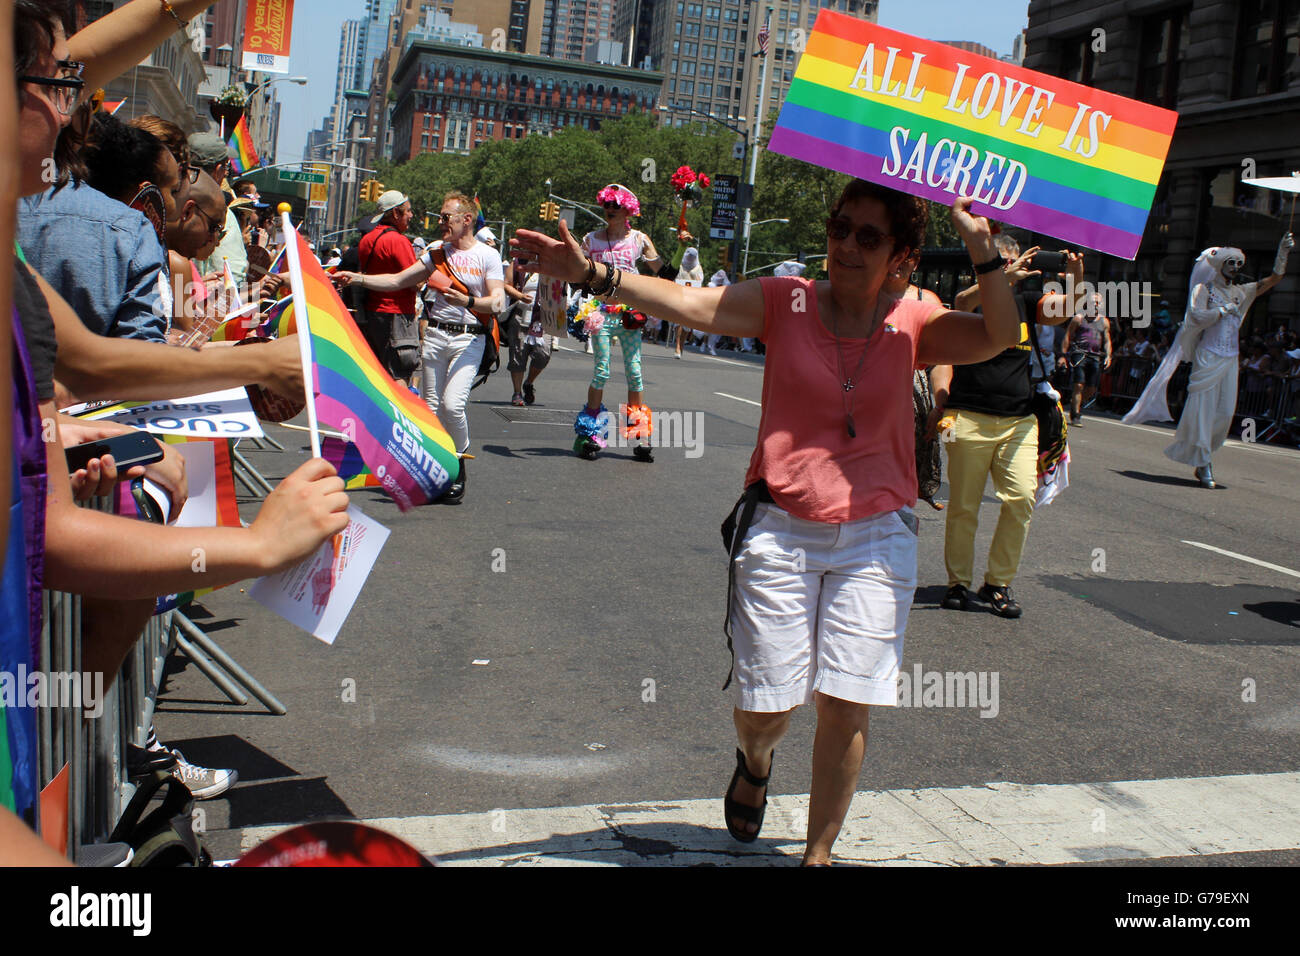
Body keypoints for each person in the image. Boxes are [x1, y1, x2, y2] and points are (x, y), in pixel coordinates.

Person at [513, 180, 1022, 866]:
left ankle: (818, 855)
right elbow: (690, 303)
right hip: (781, 527)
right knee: (767, 711)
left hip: (877, 535)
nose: (846, 245)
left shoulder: (916, 317)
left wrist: (983, 253)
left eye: (869, 237)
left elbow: (997, 333)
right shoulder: (787, 302)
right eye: (840, 228)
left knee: (846, 703)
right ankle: (754, 762)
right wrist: (594, 274)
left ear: (901, 255)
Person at [931, 235, 1082, 618]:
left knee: (1021, 499)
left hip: (1018, 420)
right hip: (968, 416)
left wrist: (1077, 277)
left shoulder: (1027, 303)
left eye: (1016, 262)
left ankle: (997, 582)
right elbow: (962, 304)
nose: (1013, 268)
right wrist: (1000, 278)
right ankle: (958, 584)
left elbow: (1064, 311)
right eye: (1000, 262)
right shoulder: (972, 301)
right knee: (964, 506)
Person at [334, 191, 505, 503]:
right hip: (436, 336)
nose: (439, 223)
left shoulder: (487, 255)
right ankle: (434, 471)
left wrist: (467, 301)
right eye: (440, 217)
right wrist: (357, 278)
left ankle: (458, 467)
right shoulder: (437, 252)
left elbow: (497, 302)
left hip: (469, 337)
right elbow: (399, 280)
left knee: (453, 404)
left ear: (466, 220)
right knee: (430, 409)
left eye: (445, 217)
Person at [1124, 237, 1292, 487]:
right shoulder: (1204, 290)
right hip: (1208, 356)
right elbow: (1196, 316)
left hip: (1230, 358)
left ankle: (1205, 453)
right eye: (1230, 262)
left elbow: (1274, 279)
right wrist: (1222, 311)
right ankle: (1203, 463)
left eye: (1238, 263)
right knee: (1203, 409)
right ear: (1220, 265)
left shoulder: (1241, 292)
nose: (1235, 267)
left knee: (1224, 413)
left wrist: (1282, 252)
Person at [571, 183, 666, 459]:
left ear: (628, 210)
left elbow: (662, 271)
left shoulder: (639, 239)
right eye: (606, 205)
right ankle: (589, 433)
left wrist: (683, 243)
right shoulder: (591, 240)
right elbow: (575, 270)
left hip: (629, 316)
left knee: (635, 373)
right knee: (601, 371)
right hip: (601, 312)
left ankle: (639, 436)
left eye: (616, 205)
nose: (609, 210)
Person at [188, 130, 246, 284]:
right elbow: (231, 276)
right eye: (216, 230)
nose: (217, 241)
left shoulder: (168, 199)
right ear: (219, 170)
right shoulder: (219, 211)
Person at [1060, 292, 1111, 426]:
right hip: (1079, 353)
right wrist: (1063, 355)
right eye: (1093, 302)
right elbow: (1067, 336)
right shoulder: (1078, 318)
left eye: (1098, 302)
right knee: (1079, 384)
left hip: (1095, 357)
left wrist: (1108, 355)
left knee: (1091, 389)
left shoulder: (1104, 321)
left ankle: (1078, 403)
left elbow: (1107, 340)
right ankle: (1076, 415)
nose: (1095, 304)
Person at [503, 256, 547, 406]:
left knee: (543, 354)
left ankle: (529, 382)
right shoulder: (517, 263)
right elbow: (507, 285)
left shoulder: (551, 263)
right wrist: (520, 296)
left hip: (544, 317)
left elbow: (561, 287)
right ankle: (517, 392)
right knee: (518, 354)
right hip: (521, 313)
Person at [671, 247, 704, 358]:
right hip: (679, 296)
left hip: (691, 298)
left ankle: (681, 345)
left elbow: (700, 280)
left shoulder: (698, 268)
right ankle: (677, 346)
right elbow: (673, 277)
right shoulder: (679, 266)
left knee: (686, 325)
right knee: (678, 321)